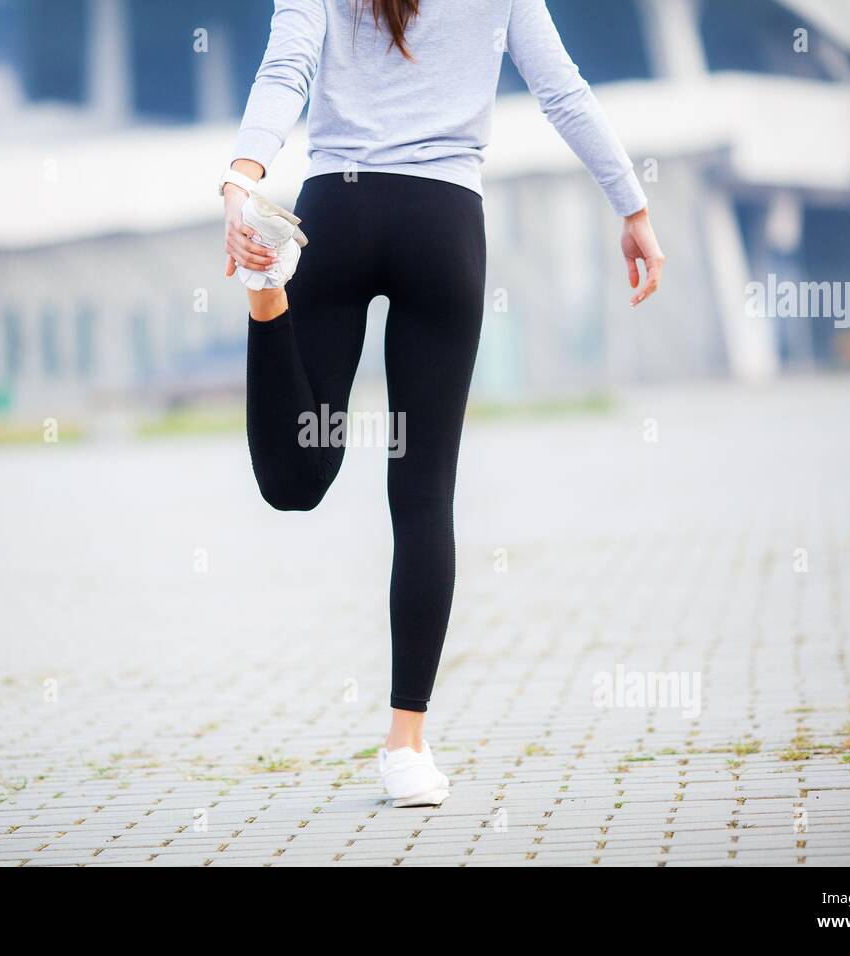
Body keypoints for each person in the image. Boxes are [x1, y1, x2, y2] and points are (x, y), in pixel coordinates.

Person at [216, 0, 665, 808]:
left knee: (298, 479)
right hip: (441, 225)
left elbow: (287, 67)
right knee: (421, 495)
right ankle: (406, 748)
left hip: (338, 212)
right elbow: (561, 90)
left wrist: (242, 178)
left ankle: (263, 296)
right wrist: (631, 208)